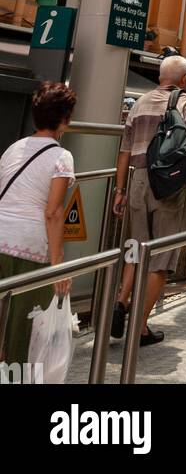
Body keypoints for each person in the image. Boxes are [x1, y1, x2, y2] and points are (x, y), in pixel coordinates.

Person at [111, 55, 186, 348]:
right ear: (184, 79)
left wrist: (120, 190)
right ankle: (139, 328)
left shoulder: (139, 102)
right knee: (160, 259)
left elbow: (124, 150)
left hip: (136, 181)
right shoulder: (184, 101)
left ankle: (121, 300)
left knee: (136, 246)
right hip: (167, 186)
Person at [0, 81, 77, 365]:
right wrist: (58, 266)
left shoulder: (14, 148)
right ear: (65, 118)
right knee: (22, 328)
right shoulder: (61, 157)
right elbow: (53, 212)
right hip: (29, 247)